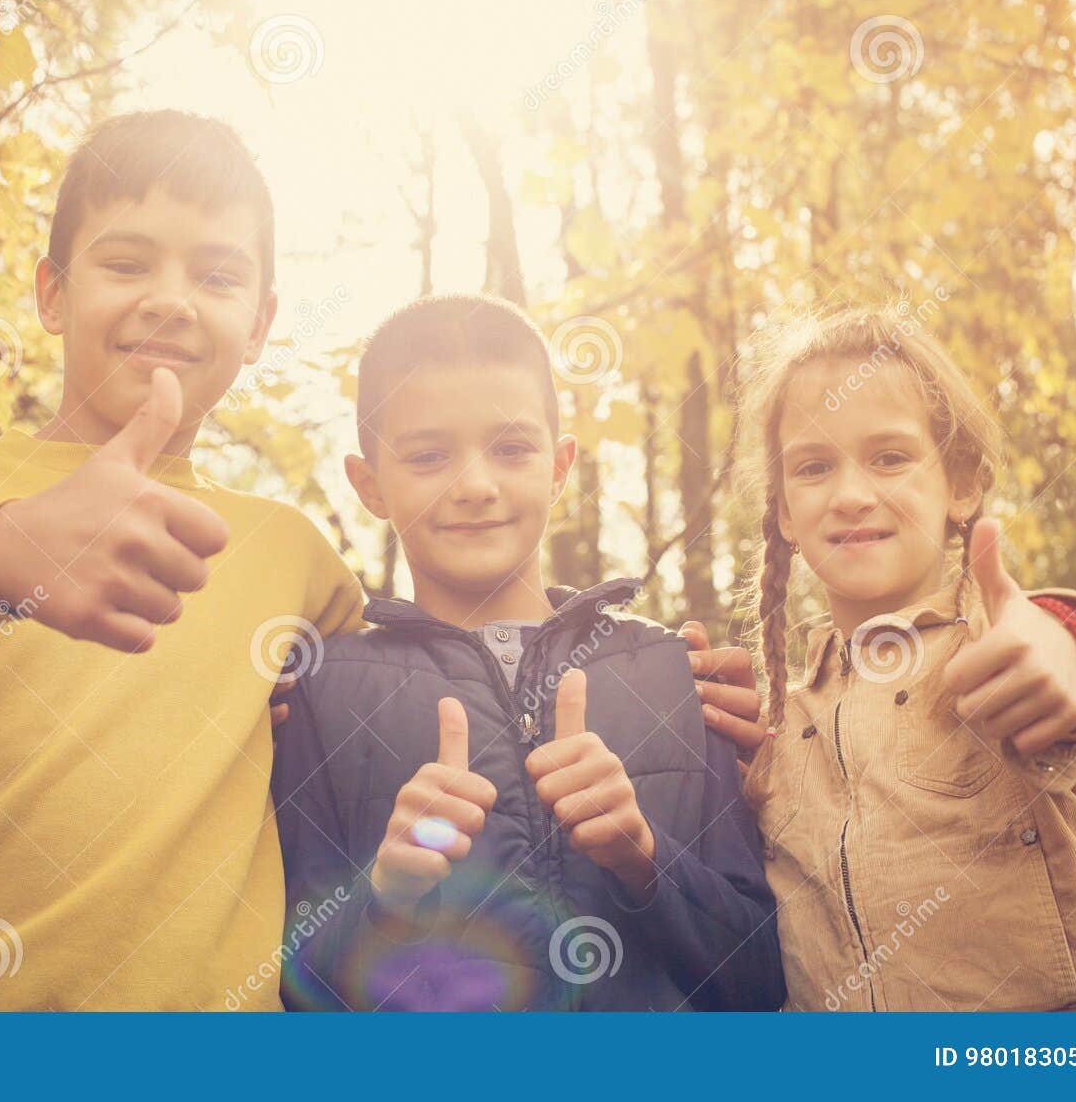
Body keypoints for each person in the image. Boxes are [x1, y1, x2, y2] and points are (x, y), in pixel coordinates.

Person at [0, 110, 364, 1009]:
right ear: (51, 293)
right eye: (126, 263)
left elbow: (399, 730)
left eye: (218, 274)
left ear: (259, 323)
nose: (171, 298)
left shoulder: (298, 560)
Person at [270, 294, 784, 1010]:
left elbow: (762, 975)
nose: (476, 485)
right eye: (427, 455)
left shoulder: (670, 674)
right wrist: (383, 896)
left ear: (560, 464)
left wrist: (646, 858)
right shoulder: (323, 697)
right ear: (368, 484)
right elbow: (297, 994)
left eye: (512, 448)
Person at [732, 307, 1076, 1010]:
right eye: (813, 466)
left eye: (890, 457)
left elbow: (1063, 654)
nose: (849, 494)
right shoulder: (786, 727)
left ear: (960, 483)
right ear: (783, 509)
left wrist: (1067, 652)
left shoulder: (991, 645)